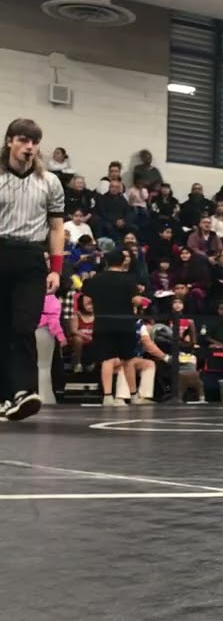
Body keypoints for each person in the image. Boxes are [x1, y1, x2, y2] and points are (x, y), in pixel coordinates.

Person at [0, 118, 65, 420]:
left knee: (24, 326)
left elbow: (56, 227)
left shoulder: (50, 182)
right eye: (23, 140)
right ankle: (5, 396)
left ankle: (24, 391)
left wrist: (56, 268)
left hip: (31, 258)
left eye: (34, 142)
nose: (29, 147)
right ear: (10, 142)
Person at [80, 250, 142, 405]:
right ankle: (133, 395)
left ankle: (107, 396)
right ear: (122, 262)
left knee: (106, 360)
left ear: (106, 262)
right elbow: (137, 301)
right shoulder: (128, 280)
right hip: (125, 323)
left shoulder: (97, 279)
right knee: (128, 360)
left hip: (103, 323)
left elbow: (86, 300)